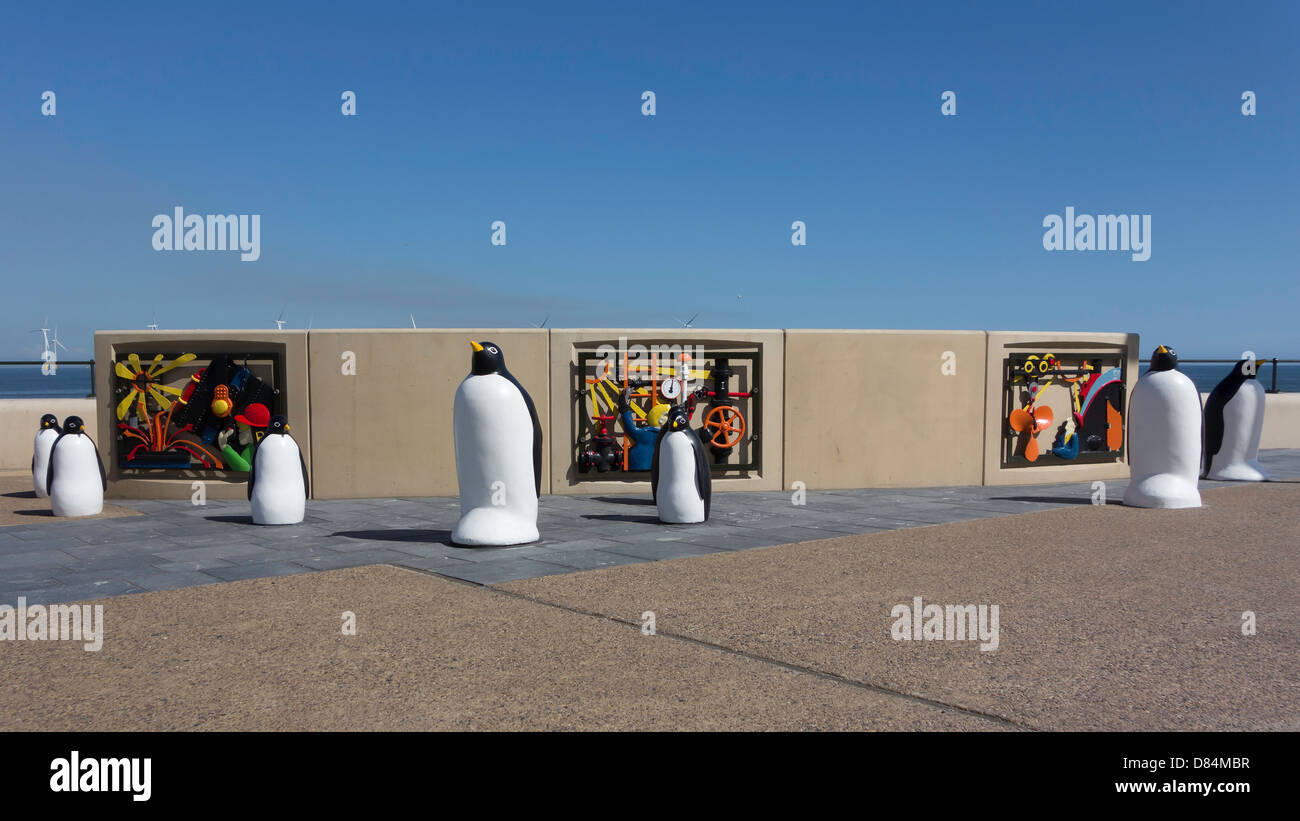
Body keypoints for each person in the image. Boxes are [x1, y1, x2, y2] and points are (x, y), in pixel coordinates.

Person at [619, 388, 669, 471]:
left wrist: (625, 409)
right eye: (667, 415)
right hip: (643, 467)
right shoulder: (657, 434)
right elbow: (631, 428)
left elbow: (631, 428)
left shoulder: (649, 433)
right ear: (660, 420)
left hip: (639, 467)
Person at [216, 402, 270, 472]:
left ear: (257, 432)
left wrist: (224, 447)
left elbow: (245, 471)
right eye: (239, 424)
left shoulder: (260, 451)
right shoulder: (250, 449)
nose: (239, 429)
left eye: (243, 425)